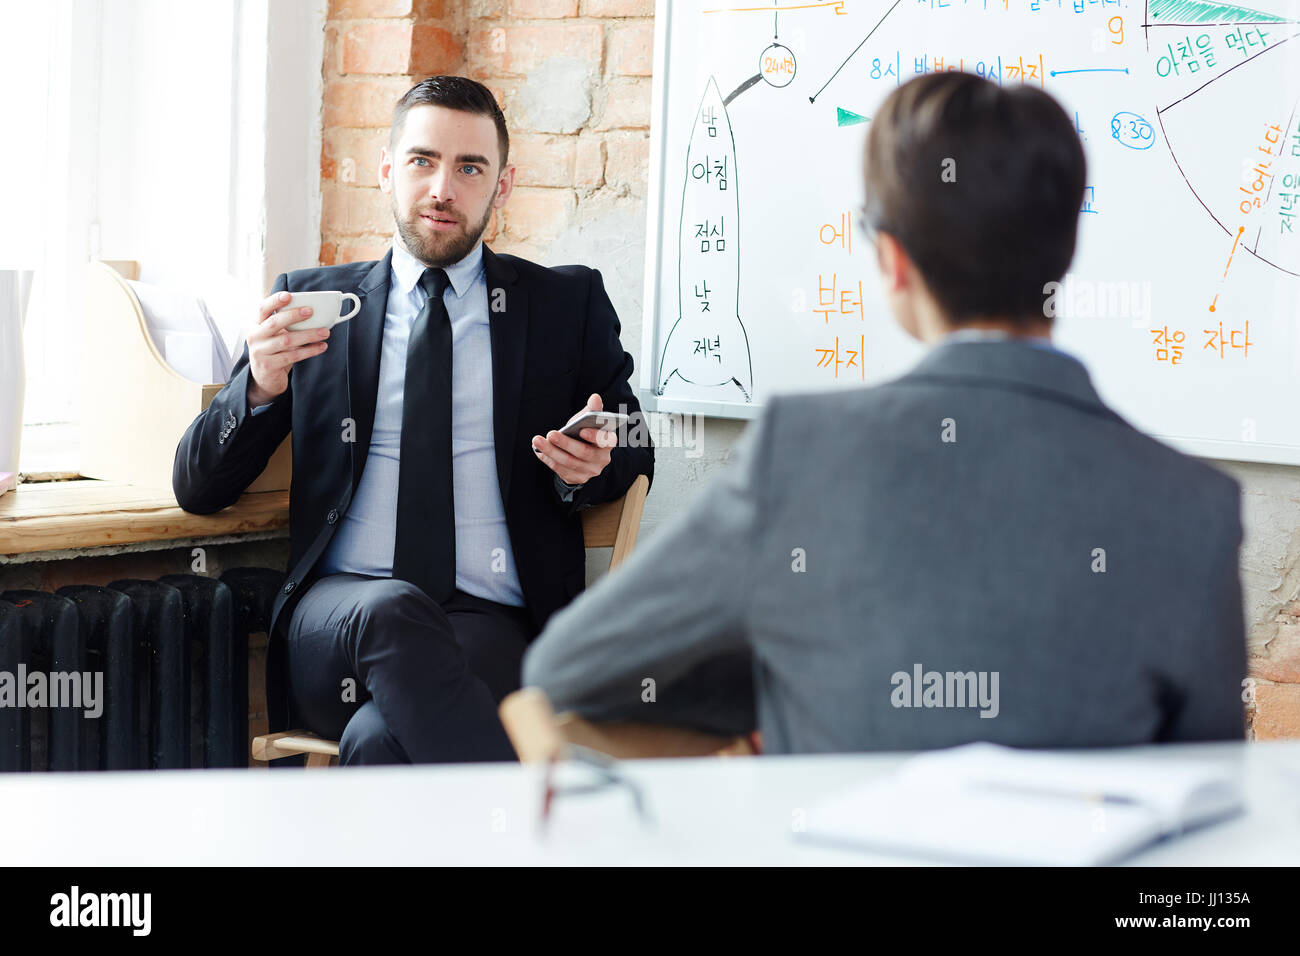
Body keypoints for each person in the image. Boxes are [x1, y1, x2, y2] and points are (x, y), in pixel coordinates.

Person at [521, 71, 1246, 753]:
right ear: (1066, 249)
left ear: (894, 261)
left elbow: (567, 667)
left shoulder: (801, 451)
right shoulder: (1197, 506)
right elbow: (1210, 784)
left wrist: (799, 688)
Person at [173, 75, 653, 764]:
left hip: (488, 621)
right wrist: (261, 385)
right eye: (423, 161)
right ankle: (533, 831)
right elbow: (197, 487)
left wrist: (597, 463)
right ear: (387, 170)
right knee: (392, 609)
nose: (442, 189)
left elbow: (636, 442)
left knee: (378, 742)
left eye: (470, 167)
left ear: (503, 184)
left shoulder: (561, 306)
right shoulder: (315, 305)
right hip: (336, 622)